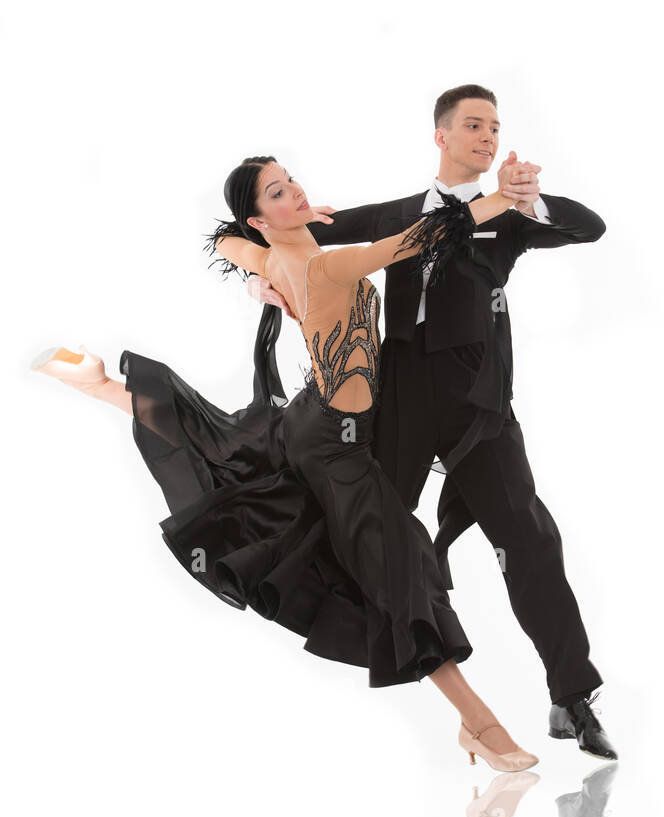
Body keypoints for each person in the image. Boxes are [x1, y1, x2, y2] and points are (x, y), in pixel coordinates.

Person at [31, 154, 543, 772]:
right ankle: (480, 726)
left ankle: (95, 382)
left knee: (237, 457)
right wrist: (501, 200)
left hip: (319, 420)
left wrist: (266, 259)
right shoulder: (326, 263)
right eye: (278, 192)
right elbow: (420, 237)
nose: (296, 190)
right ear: (261, 215)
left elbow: (226, 239)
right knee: (398, 573)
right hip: (335, 447)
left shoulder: (273, 254)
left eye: (291, 180)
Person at [249, 85, 617, 760]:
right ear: (441, 136)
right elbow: (263, 235)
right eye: (474, 124)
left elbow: (589, 228)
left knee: (528, 541)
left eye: (496, 127)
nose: (488, 135)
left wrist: (532, 199)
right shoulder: (396, 213)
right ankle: (451, 696)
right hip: (402, 398)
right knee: (366, 536)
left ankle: (571, 695)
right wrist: (259, 281)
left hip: (479, 404)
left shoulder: (507, 215)